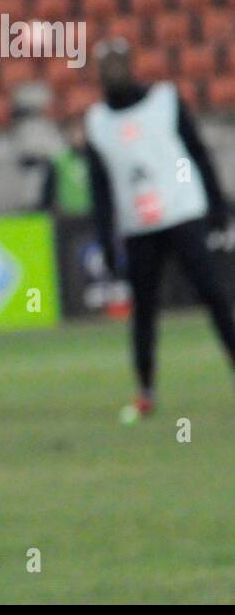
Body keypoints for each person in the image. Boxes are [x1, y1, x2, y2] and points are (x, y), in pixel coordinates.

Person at [84, 38, 235, 423]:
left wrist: (217, 206)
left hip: (183, 210)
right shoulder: (97, 122)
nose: (114, 72)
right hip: (138, 226)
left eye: (119, 63)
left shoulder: (165, 100)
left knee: (216, 296)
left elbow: (197, 151)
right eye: (107, 65)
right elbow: (99, 188)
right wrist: (105, 237)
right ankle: (146, 391)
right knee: (144, 312)